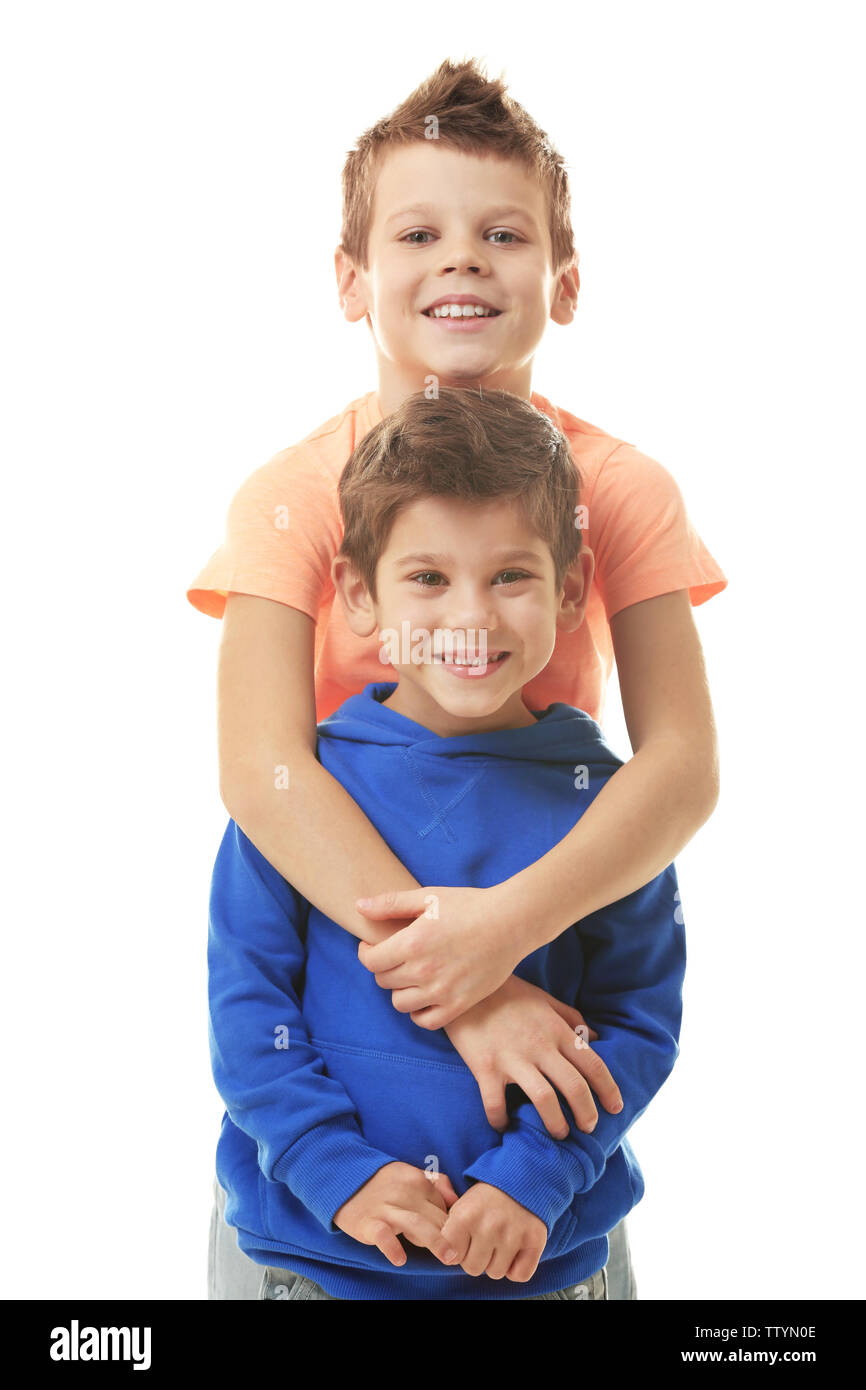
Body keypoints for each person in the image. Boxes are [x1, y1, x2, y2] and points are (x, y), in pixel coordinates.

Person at [190, 58, 726, 1298]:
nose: (462, 262)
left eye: (502, 235)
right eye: (418, 233)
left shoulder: (623, 492)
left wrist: (511, 937)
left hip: (540, 1064)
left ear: (564, 280)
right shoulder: (289, 498)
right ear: (350, 279)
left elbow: (682, 766)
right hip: (340, 1030)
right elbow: (260, 776)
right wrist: (462, 988)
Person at [208, 387, 687, 1300]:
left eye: (511, 576)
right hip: (316, 1266)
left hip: (539, 1269)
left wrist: (534, 1180)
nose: (471, 615)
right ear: (358, 591)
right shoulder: (304, 794)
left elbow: (637, 1023)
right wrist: (331, 1167)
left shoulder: (610, 808)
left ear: (572, 588)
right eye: (428, 578)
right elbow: (247, 1005)